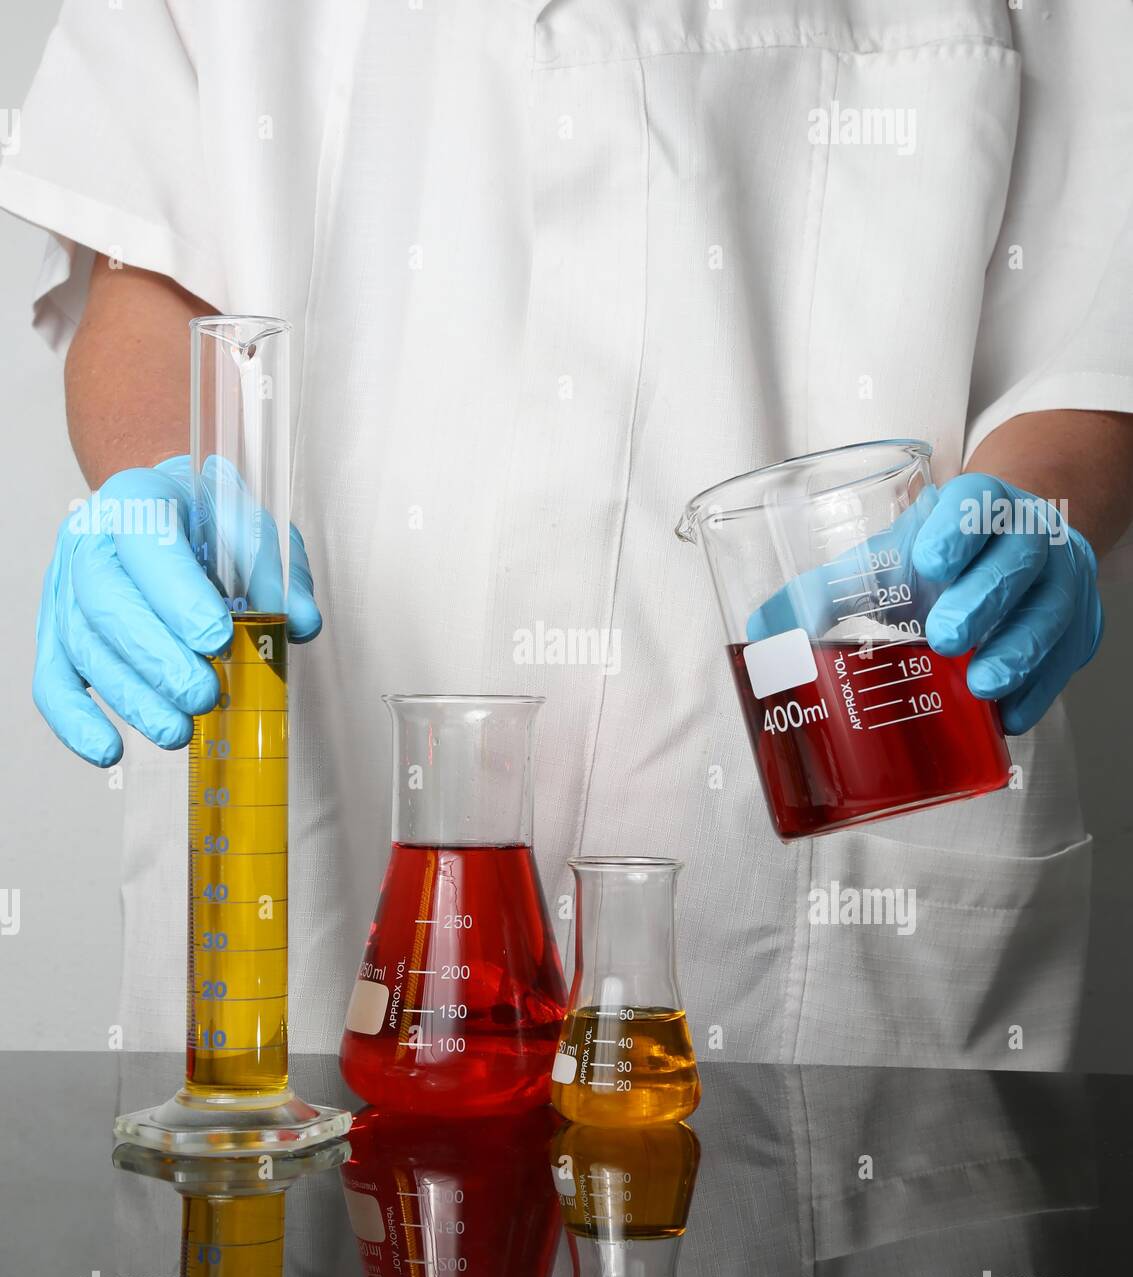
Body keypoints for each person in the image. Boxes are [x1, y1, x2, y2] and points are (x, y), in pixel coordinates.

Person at [2, 0, 1131, 1069]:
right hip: (315, 782)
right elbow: (140, 259)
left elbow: (1090, 323)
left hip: (812, 873)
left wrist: (1021, 518)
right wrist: (160, 486)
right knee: (289, 1227)